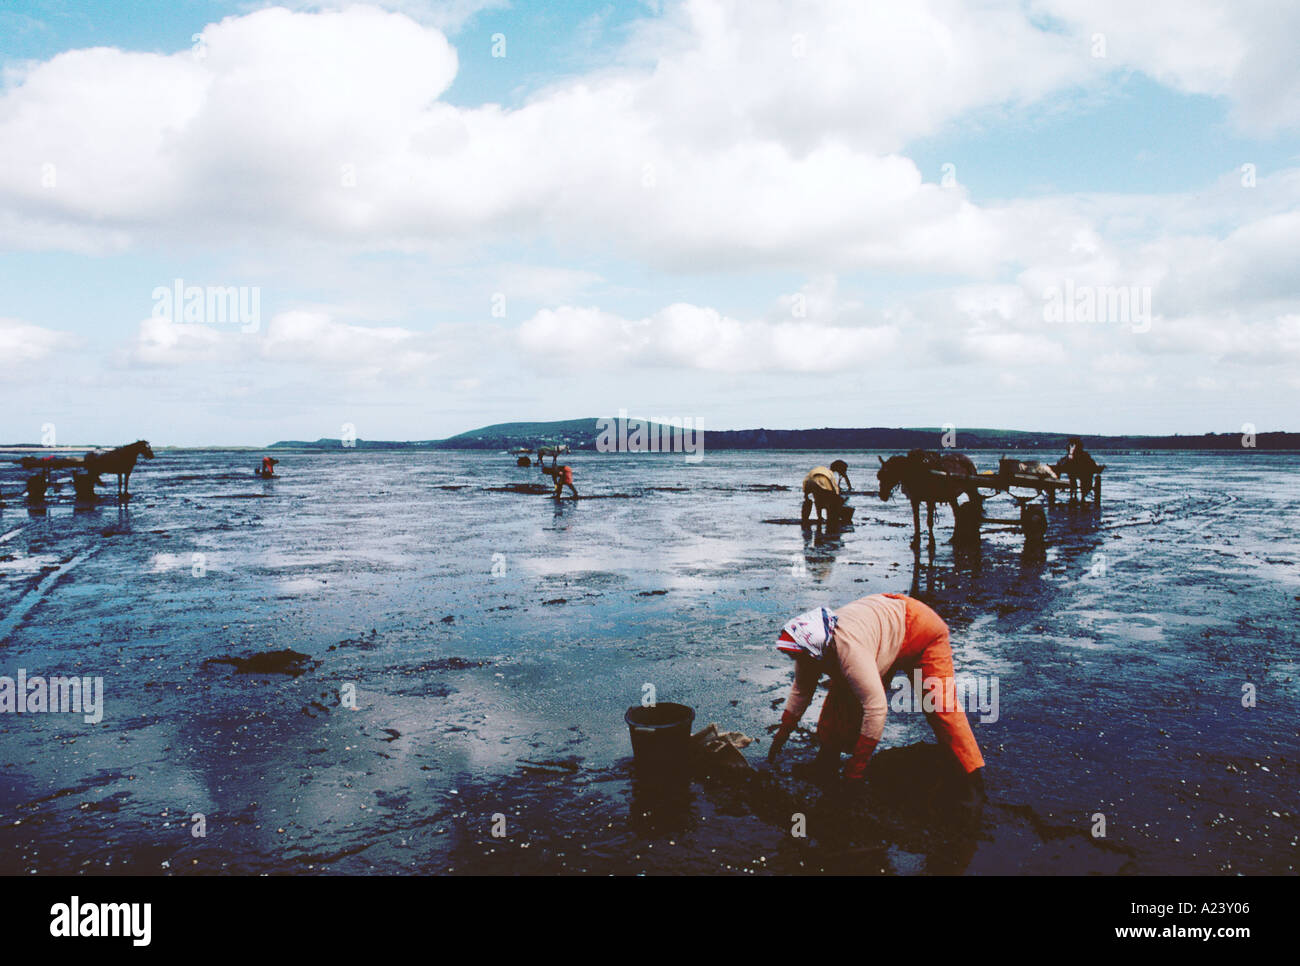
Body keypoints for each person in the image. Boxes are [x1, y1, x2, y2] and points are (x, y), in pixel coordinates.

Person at [767, 593, 985, 792]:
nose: (795, 660)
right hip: (882, 632)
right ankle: (825, 765)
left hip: (920, 627)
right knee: (842, 695)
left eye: (796, 656)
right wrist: (780, 737)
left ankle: (972, 780)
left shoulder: (849, 652)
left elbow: (876, 708)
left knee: (939, 703)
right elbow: (801, 691)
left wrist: (855, 771)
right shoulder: (808, 647)